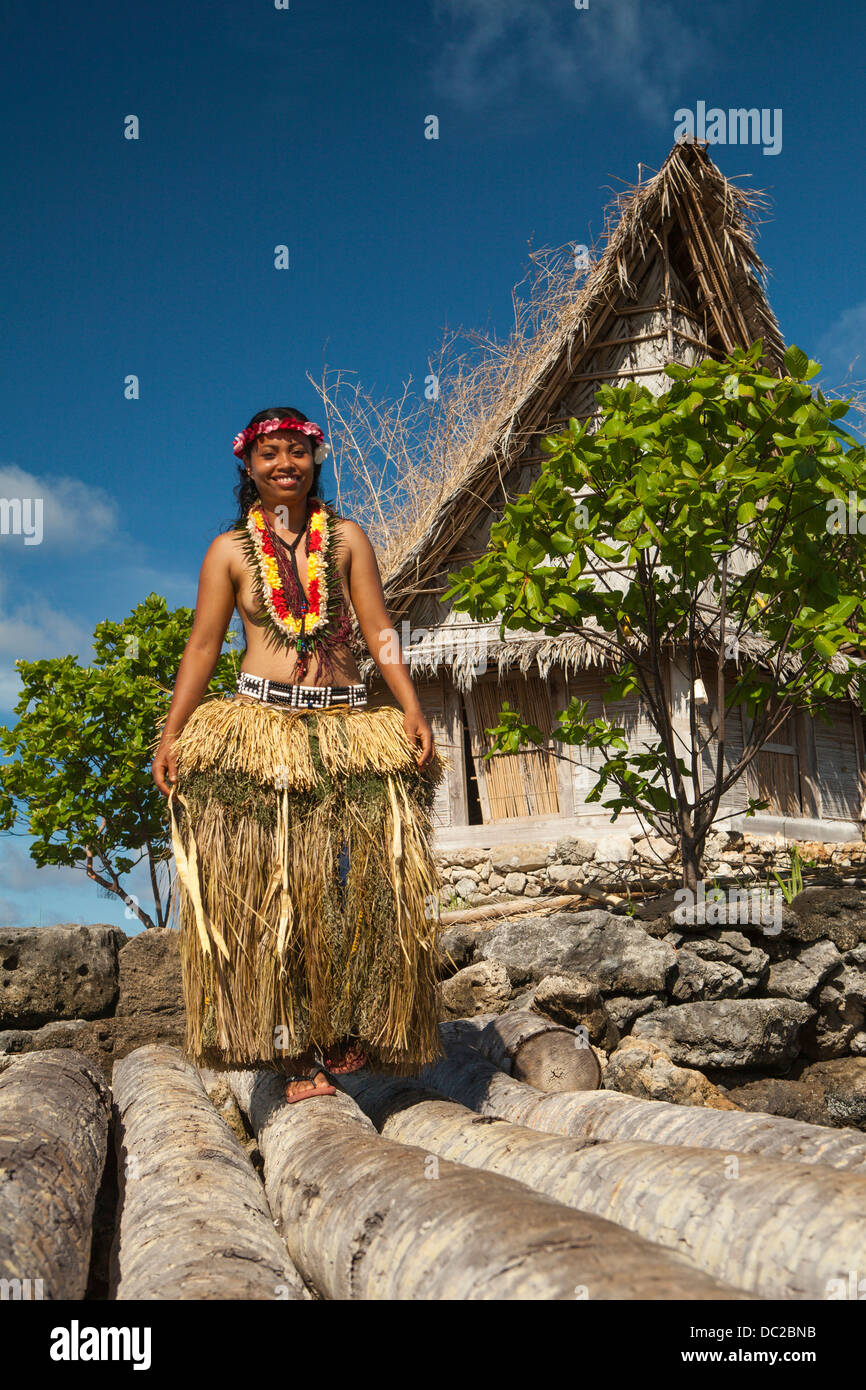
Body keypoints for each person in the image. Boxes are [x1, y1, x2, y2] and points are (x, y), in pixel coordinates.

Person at [150, 407, 445, 1102]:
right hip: (260, 729)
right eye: (270, 454)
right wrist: (172, 732)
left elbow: (379, 632)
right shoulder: (227, 551)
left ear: (315, 460)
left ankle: (355, 1030)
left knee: (360, 886)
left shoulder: (345, 539)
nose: (284, 464)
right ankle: (290, 1050)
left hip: (348, 731)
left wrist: (409, 704)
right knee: (271, 890)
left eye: (296, 452)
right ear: (248, 467)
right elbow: (202, 648)